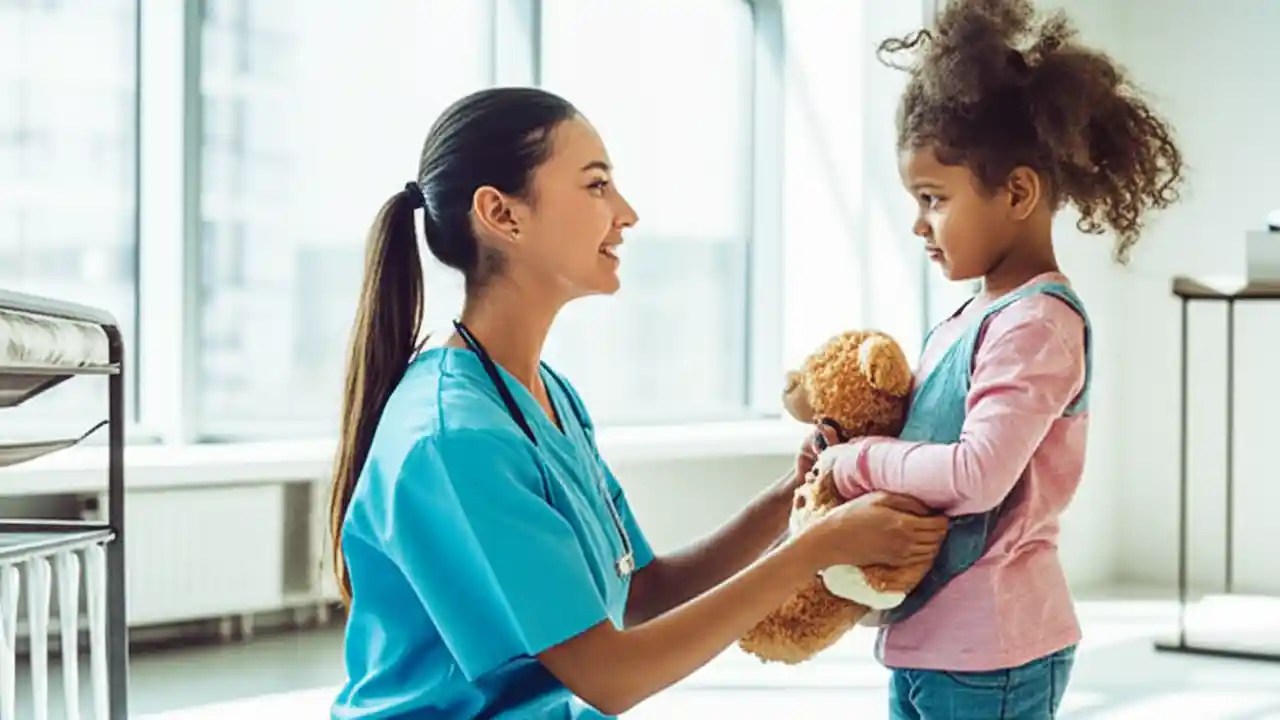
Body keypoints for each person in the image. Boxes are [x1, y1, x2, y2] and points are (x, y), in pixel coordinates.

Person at [325, 86, 949, 719]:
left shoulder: (547, 397)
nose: (625, 213)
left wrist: (794, 491)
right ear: (502, 214)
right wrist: (816, 549)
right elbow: (611, 677)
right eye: (596, 186)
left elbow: (645, 593)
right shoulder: (454, 440)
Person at [803, 0, 1186, 717]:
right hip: (934, 640)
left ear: (1017, 192)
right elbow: (929, 445)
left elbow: (977, 474)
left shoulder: (1038, 323)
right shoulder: (970, 316)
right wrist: (843, 446)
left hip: (994, 651)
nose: (919, 223)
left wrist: (860, 463)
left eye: (933, 198)